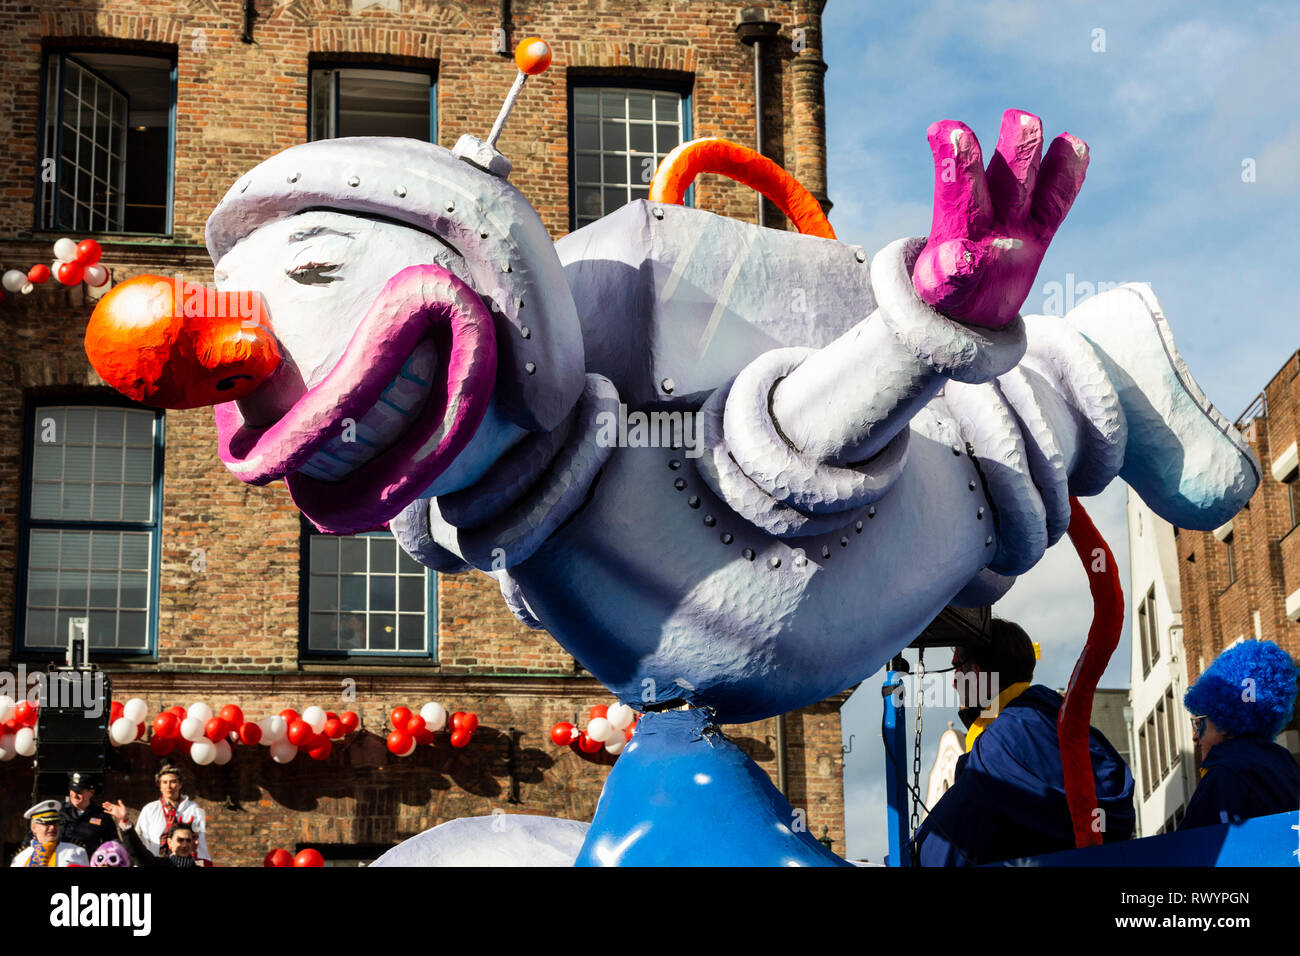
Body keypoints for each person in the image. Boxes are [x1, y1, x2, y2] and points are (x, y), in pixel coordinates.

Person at [911, 618, 1135, 865]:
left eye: (957, 667)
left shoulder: (996, 745)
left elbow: (946, 838)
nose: (953, 682)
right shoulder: (1062, 721)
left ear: (976, 675)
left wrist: (910, 855)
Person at [1180, 638, 1300, 829]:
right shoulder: (1287, 771)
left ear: (1226, 725)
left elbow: (1192, 853)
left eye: (1199, 723)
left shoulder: (1223, 778)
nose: (1195, 737)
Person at [135, 762, 211, 863]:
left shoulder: (194, 809)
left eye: (173, 782)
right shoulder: (149, 809)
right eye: (164, 782)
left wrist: (203, 862)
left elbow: (200, 841)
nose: (169, 786)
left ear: (180, 784)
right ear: (159, 785)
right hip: (156, 862)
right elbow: (141, 839)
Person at [102, 800, 203, 868]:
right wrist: (125, 821)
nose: (184, 845)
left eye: (188, 840)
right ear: (170, 842)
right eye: (180, 840)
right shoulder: (157, 865)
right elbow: (138, 852)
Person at [9, 800, 90, 867]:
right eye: (46, 823)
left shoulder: (76, 851)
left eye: (55, 823)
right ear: (33, 827)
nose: (52, 827)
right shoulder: (21, 857)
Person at [58, 772, 119, 855]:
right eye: (72, 790)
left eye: (79, 792)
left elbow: (111, 845)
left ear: (91, 792)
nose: (74, 795)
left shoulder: (102, 815)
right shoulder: (59, 810)